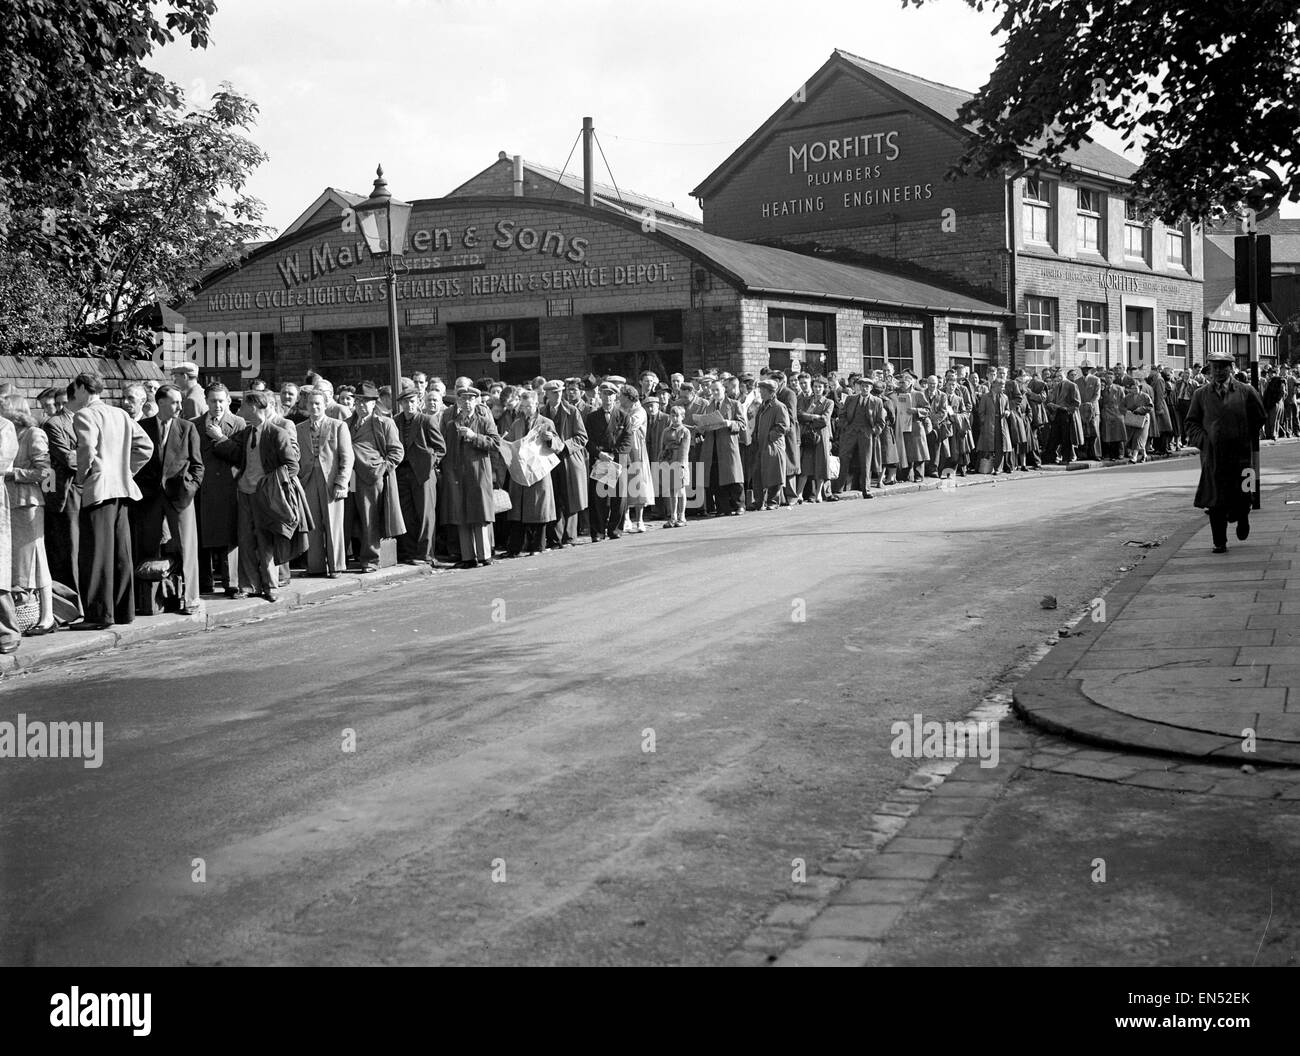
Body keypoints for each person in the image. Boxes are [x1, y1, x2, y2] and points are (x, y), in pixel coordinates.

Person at [69, 372, 153, 629]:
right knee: (120, 552)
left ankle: (98, 615)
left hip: (99, 490)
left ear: (83, 388)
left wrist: (82, 478)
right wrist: (126, 471)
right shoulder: (120, 414)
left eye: (77, 389)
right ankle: (123, 611)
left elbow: (86, 449)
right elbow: (145, 446)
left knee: (95, 554)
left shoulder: (85, 415)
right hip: (122, 489)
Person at [210, 390, 300, 601]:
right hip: (244, 493)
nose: (239, 411)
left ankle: (270, 586)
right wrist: (220, 439)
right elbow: (234, 453)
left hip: (265, 495)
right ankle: (248, 586)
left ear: (253, 407)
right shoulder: (247, 432)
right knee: (245, 539)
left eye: (242, 407)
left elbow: (292, 465)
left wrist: (272, 485)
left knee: (265, 540)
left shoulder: (277, 433)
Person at [1185, 350, 1267, 553]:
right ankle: (1219, 541)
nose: (1219, 371)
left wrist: (1244, 434)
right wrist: (1204, 441)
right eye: (1215, 368)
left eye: (1224, 367)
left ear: (1231, 369)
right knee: (1215, 500)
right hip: (1213, 457)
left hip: (1241, 456)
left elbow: (1259, 417)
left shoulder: (1246, 391)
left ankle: (1243, 518)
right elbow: (1191, 423)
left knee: (1244, 494)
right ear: (1210, 370)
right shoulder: (1201, 394)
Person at [135, 384, 204, 615]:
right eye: (174, 402)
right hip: (151, 497)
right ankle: (150, 599)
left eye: (179, 402)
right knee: (149, 545)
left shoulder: (187, 427)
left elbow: (197, 465)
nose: (179, 406)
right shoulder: (142, 427)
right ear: (161, 403)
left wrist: (191, 487)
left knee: (186, 546)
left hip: (180, 495)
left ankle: (190, 598)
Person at [3, 394, 55, 634]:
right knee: (19, 564)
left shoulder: (33, 434)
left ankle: (47, 616)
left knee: (37, 557)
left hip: (29, 504)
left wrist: (14, 473)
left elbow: (45, 472)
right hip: (11, 505)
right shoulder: (10, 434)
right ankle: (26, 611)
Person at [192, 384, 246, 597]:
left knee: (229, 537)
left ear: (228, 402)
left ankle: (231, 582)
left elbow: (241, 456)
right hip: (203, 489)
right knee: (203, 536)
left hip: (228, 487)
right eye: (213, 401)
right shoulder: (194, 425)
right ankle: (204, 582)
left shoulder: (238, 424)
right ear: (206, 400)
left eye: (221, 401)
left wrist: (220, 438)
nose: (217, 405)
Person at [439, 386, 499, 567]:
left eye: (470, 399)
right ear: (458, 402)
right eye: (463, 399)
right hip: (458, 475)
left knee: (479, 514)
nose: (467, 402)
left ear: (476, 401)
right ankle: (468, 556)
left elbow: (496, 443)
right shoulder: (452, 424)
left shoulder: (484, 420)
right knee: (461, 515)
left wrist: (474, 436)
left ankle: (484, 555)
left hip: (478, 473)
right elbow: (446, 449)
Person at [296, 389, 354, 577]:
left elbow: (347, 457)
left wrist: (342, 482)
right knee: (312, 525)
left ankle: (336, 566)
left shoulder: (338, 426)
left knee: (334, 524)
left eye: (318, 403)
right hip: (308, 479)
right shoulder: (299, 428)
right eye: (311, 403)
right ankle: (315, 566)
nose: (314, 407)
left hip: (330, 480)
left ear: (325, 405)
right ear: (306, 405)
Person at [348, 382, 404, 573]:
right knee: (350, 517)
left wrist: (382, 469)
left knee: (370, 518)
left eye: (366, 402)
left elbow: (397, 452)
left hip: (372, 478)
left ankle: (371, 559)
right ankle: (353, 556)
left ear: (374, 403)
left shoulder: (384, 423)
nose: (361, 406)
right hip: (351, 477)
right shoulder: (347, 423)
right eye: (358, 401)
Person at [502, 387, 561, 556]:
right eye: (524, 406)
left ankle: (538, 546)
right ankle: (515, 548)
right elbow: (511, 443)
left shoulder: (546, 422)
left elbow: (559, 445)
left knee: (539, 510)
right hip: (521, 472)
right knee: (518, 512)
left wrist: (551, 440)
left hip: (539, 471)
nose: (527, 409)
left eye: (530, 406)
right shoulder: (517, 423)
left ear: (537, 405)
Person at [393, 383, 445, 566]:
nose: (409, 405)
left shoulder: (426, 420)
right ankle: (410, 551)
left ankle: (425, 554)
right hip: (402, 472)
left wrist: (430, 462)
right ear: (400, 404)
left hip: (422, 472)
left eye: (413, 401)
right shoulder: (395, 420)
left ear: (419, 401)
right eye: (405, 402)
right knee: (406, 513)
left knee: (425, 514)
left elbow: (440, 448)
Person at [41, 381, 82, 614]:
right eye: (59, 404)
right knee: (70, 551)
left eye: (63, 403)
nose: (60, 408)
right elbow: (67, 460)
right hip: (67, 493)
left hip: (87, 490)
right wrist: (89, 455)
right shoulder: (53, 424)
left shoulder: (87, 419)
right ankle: (71, 606)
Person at [541, 379, 588, 548]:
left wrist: (563, 445)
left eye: (561, 391)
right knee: (554, 498)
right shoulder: (541, 412)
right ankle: (556, 538)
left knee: (571, 498)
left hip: (569, 459)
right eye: (554, 392)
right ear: (546, 394)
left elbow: (582, 437)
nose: (559, 394)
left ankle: (569, 537)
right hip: (549, 462)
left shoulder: (572, 411)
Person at [698, 376, 749, 515]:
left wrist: (729, 423)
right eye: (712, 390)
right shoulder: (708, 406)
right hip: (712, 445)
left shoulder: (734, 404)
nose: (714, 393)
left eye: (717, 390)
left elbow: (742, 425)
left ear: (723, 390)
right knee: (716, 477)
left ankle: (739, 505)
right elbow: (704, 424)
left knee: (734, 476)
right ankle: (723, 507)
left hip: (727, 445)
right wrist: (701, 426)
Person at [584, 382, 625, 541]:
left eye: (611, 394)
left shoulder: (623, 415)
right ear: (599, 396)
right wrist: (599, 454)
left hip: (616, 461)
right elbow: (588, 439)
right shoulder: (592, 417)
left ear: (616, 397)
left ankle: (615, 529)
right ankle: (598, 532)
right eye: (604, 394)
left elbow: (627, 440)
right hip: (600, 461)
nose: (607, 397)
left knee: (619, 498)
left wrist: (614, 455)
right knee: (598, 498)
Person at [617, 385, 654, 532]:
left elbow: (627, 427)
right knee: (624, 485)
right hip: (624, 449)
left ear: (628, 397)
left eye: (621, 395)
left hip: (637, 451)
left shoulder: (639, 411)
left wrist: (618, 425)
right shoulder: (621, 408)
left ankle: (639, 520)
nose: (619, 398)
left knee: (638, 484)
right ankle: (626, 519)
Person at [753, 378, 791, 510]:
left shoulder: (779, 406)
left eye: (763, 390)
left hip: (773, 445)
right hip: (761, 445)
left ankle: (773, 501)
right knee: (758, 474)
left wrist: (770, 436)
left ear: (771, 392)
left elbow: (783, 426)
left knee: (774, 474)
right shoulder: (762, 406)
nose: (760, 393)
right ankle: (759, 501)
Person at [795, 376, 834, 501]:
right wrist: (814, 416)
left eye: (820, 387)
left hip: (822, 436)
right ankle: (799, 493)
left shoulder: (829, 402)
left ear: (824, 388)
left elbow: (824, 420)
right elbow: (800, 415)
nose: (817, 389)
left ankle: (818, 494)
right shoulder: (807, 400)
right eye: (815, 386)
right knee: (806, 464)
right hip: (808, 435)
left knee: (821, 464)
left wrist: (810, 419)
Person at [658, 404, 692, 528]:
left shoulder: (685, 431)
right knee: (672, 490)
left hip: (679, 462)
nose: (675, 418)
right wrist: (661, 460)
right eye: (672, 415)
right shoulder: (666, 431)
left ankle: (682, 515)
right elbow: (662, 447)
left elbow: (684, 450)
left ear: (682, 417)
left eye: (677, 415)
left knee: (681, 489)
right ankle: (673, 516)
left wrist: (680, 465)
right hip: (668, 460)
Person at [1121, 376, 1153, 463]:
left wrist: (1141, 409)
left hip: (1143, 419)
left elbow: (1150, 407)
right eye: (1132, 388)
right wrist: (1127, 411)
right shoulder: (1127, 397)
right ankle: (1144, 455)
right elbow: (1121, 407)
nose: (1134, 390)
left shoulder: (1145, 396)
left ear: (1140, 388)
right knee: (1134, 438)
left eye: (1136, 388)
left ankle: (1134, 457)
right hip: (1132, 420)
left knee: (1139, 438)